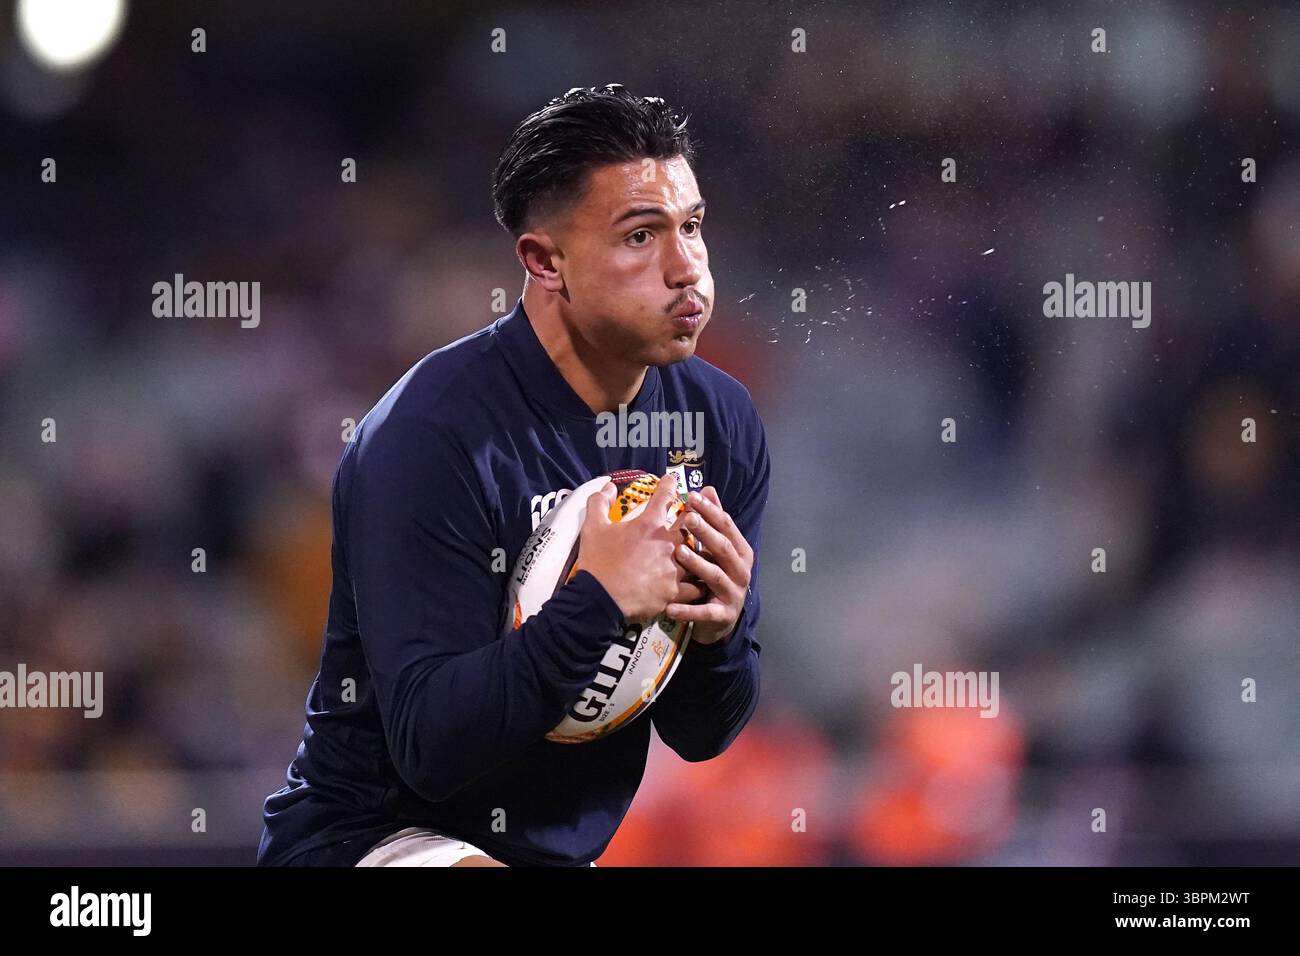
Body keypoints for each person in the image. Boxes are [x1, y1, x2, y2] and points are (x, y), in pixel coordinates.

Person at [257, 84, 770, 867]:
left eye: (692, 228)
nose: (686, 270)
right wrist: (598, 602)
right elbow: (431, 747)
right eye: (640, 237)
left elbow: (701, 737)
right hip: (375, 838)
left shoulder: (718, 424)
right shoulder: (430, 435)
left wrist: (720, 640)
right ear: (544, 260)